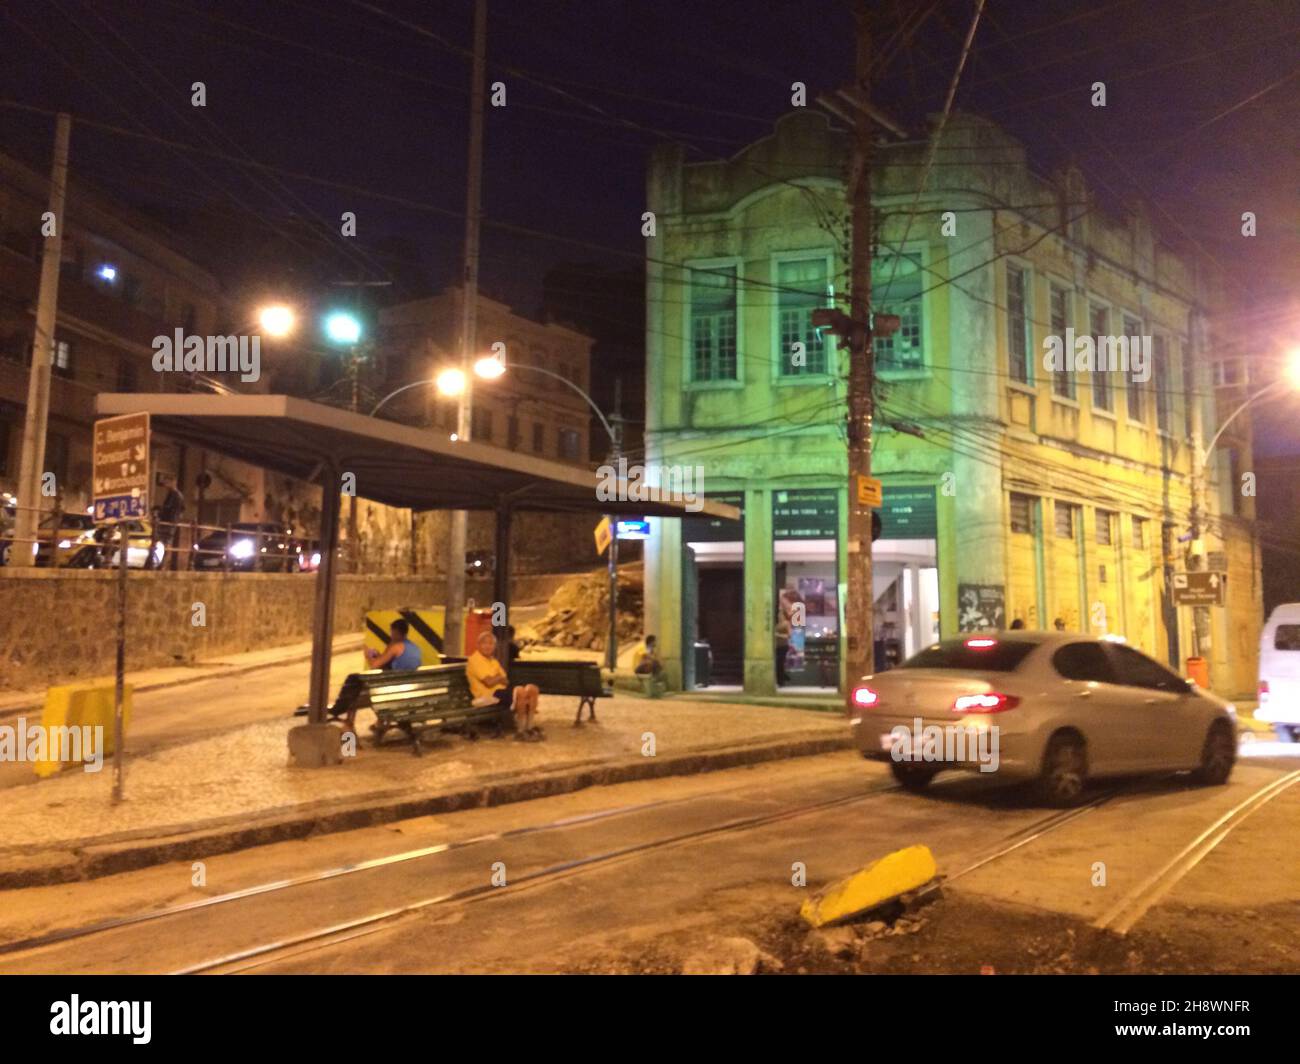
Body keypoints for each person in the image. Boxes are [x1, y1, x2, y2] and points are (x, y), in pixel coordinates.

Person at [342, 619, 423, 736]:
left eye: (392, 631)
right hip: (410, 692)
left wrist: (368, 655)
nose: (391, 634)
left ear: (396, 632)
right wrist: (381, 656)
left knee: (353, 696)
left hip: (393, 693)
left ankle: (348, 730)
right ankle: (379, 724)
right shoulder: (415, 648)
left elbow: (375, 666)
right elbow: (394, 662)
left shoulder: (396, 646)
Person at [467, 630, 541, 740]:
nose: (488, 646)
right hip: (487, 695)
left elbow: (505, 681)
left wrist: (496, 679)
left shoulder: (493, 661)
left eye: (491, 643)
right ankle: (521, 731)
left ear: (494, 646)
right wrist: (498, 678)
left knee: (532, 689)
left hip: (500, 692)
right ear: (478, 645)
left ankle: (529, 728)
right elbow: (488, 683)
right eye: (485, 643)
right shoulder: (475, 660)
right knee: (520, 692)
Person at [149, 474, 185, 570]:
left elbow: (168, 508)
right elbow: (181, 510)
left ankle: (160, 564)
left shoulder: (174, 495)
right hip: (171, 522)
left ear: (173, 482)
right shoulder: (176, 495)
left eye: (167, 482)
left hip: (168, 522)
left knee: (162, 542)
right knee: (163, 543)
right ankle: (160, 564)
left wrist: (159, 511)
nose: (165, 485)